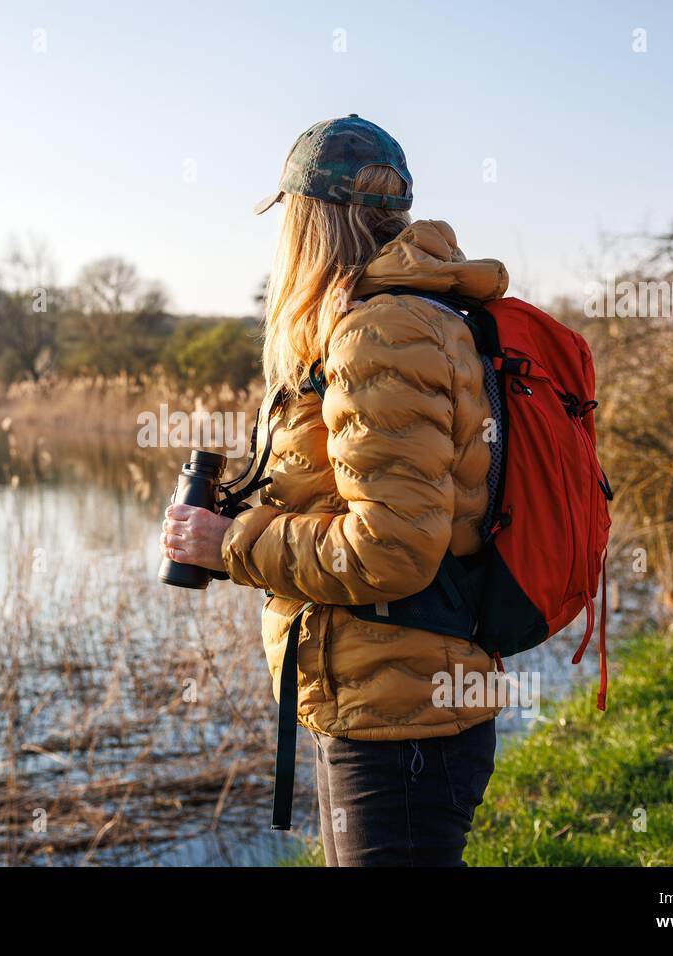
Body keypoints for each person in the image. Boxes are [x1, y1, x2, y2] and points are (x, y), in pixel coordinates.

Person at [160, 115, 509, 866]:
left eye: (288, 216)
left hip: (403, 718)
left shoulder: (382, 333)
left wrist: (229, 543)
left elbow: (391, 550)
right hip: (381, 696)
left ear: (310, 220)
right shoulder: (406, 316)